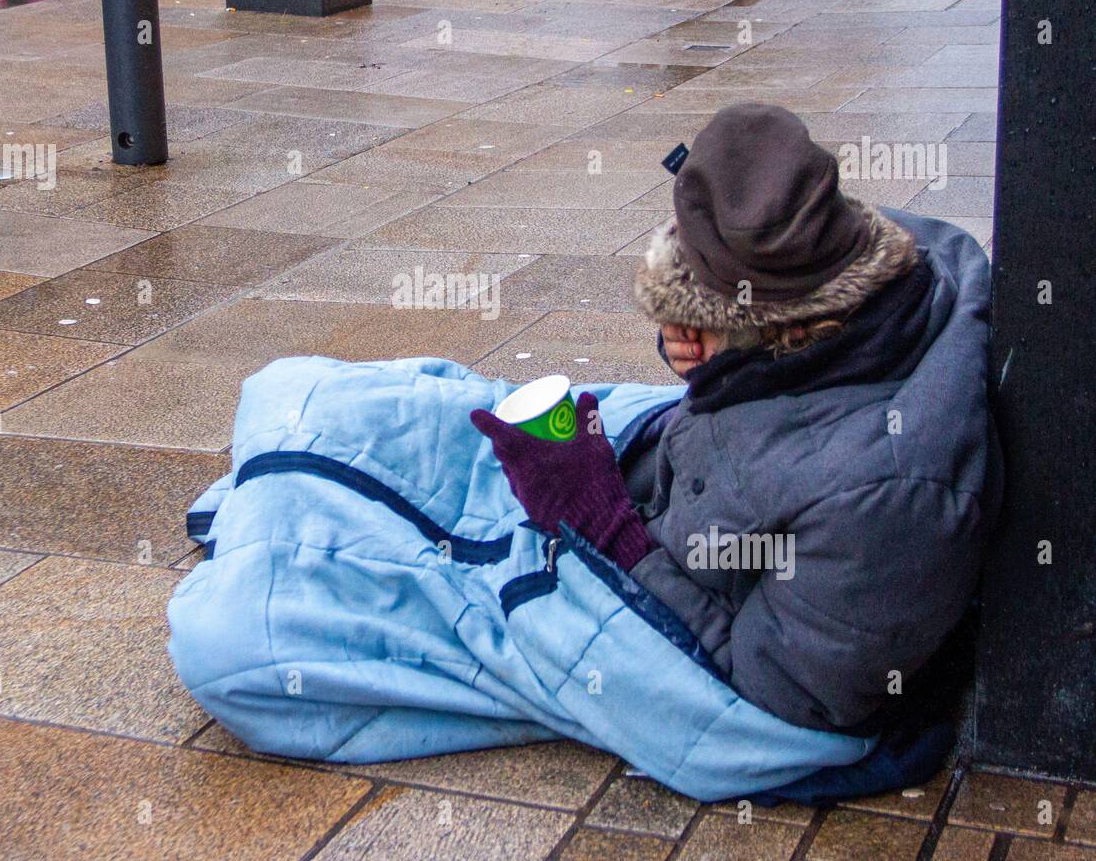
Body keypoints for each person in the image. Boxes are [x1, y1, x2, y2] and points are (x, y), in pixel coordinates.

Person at [170, 103, 1001, 799]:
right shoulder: (864, 267)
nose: (675, 341)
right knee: (308, 399)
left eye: (696, 327)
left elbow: (767, 698)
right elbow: (750, 398)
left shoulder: (886, 493)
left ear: (781, 329)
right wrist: (691, 382)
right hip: (686, 482)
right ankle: (300, 505)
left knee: (236, 647)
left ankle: (303, 542)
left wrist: (599, 523)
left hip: (671, 602)